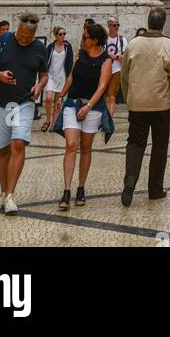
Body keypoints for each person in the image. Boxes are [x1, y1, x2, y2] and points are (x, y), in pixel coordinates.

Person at [0, 10, 48, 214]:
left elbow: (44, 75)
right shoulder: (4, 40)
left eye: (28, 37)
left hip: (24, 103)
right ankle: (2, 193)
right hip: (2, 104)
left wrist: (39, 87)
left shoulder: (39, 48)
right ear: (17, 29)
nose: (24, 40)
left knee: (18, 143)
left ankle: (10, 195)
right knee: (3, 150)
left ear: (34, 34)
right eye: (21, 35)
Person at [120, 5, 170, 206]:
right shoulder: (169, 45)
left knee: (135, 143)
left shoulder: (133, 44)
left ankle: (130, 179)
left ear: (148, 22)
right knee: (159, 147)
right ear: (163, 24)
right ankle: (155, 189)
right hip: (159, 105)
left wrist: (128, 96)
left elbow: (124, 74)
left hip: (137, 104)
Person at [56, 22, 112, 210]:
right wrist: (61, 95)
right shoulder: (79, 54)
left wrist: (88, 106)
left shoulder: (106, 60)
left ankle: (81, 188)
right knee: (71, 144)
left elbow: (102, 86)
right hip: (72, 104)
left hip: (93, 108)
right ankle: (66, 191)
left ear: (95, 40)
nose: (82, 39)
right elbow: (71, 77)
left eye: (85, 37)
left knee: (86, 148)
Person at [42, 27, 73, 132]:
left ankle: (54, 123)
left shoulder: (68, 47)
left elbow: (70, 62)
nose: (63, 36)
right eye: (60, 34)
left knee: (58, 101)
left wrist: (69, 76)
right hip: (51, 75)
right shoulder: (50, 47)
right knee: (49, 98)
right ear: (55, 35)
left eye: (64, 33)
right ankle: (47, 120)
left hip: (62, 76)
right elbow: (45, 61)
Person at [104, 18, 127, 117]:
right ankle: (104, 117)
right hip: (105, 71)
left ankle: (109, 119)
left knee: (112, 96)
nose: (116, 27)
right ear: (109, 26)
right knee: (104, 96)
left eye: (118, 25)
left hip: (117, 71)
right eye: (114, 25)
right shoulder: (103, 40)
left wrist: (116, 57)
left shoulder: (122, 40)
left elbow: (125, 58)